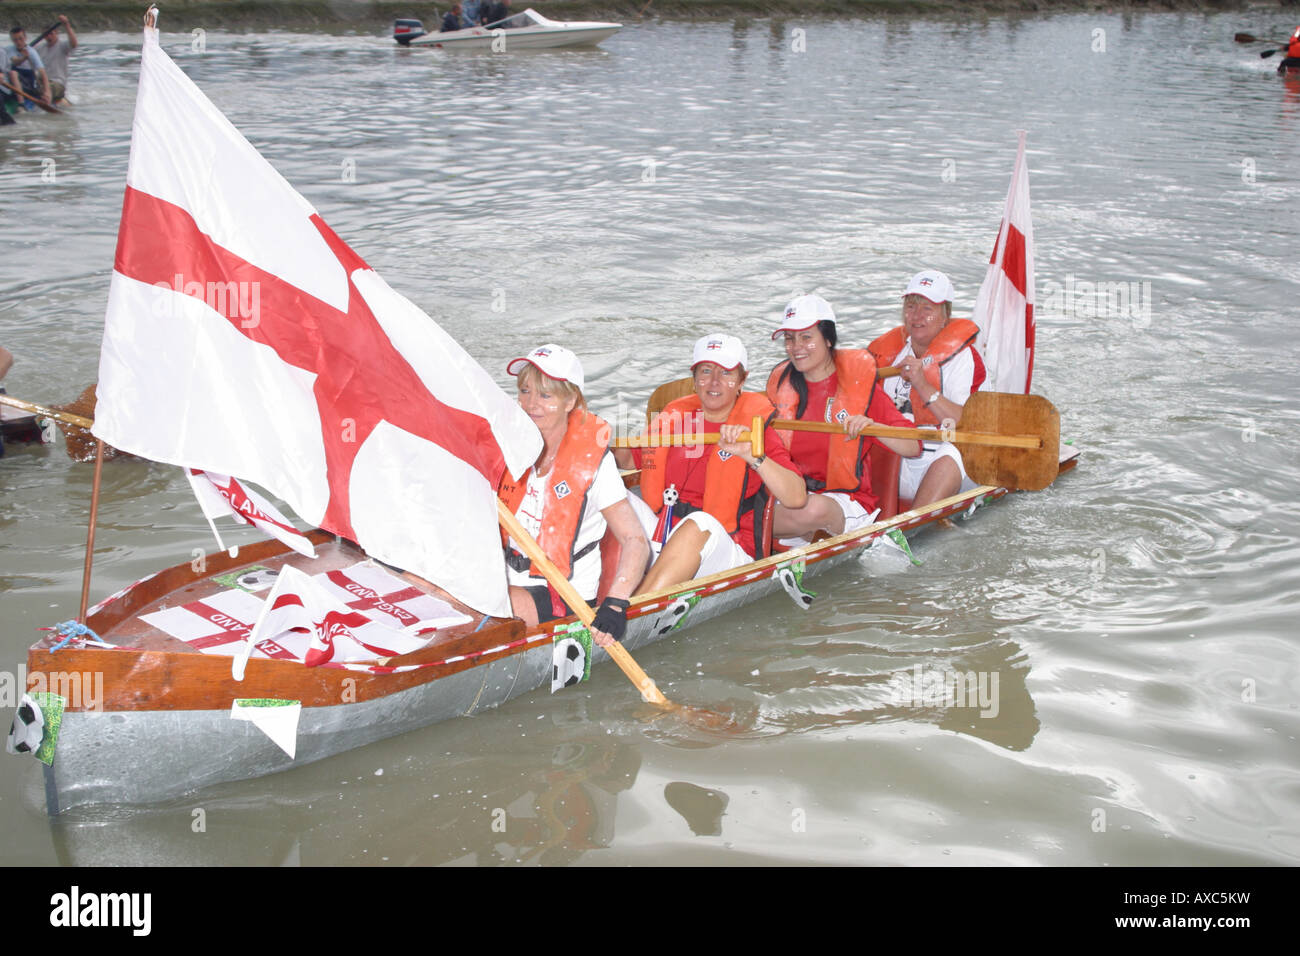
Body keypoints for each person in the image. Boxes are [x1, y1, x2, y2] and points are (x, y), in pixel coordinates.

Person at [499, 344, 649, 647]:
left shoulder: (595, 463)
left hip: (564, 592)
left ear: (570, 400)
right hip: (504, 574)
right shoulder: (508, 447)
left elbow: (635, 540)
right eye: (525, 391)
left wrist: (616, 603)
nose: (530, 404)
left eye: (545, 395)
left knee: (488, 606)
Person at [633, 333, 807, 593]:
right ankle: (594, 597)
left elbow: (796, 497)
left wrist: (752, 456)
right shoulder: (674, 421)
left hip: (728, 549)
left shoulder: (756, 431)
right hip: (664, 531)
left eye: (726, 373)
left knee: (700, 523)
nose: (714, 381)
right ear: (694, 380)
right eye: (705, 371)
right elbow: (631, 461)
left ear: (741, 381)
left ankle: (632, 613)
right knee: (616, 500)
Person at [765, 295, 921, 542]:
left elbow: (914, 446)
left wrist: (873, 427)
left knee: (814, 508)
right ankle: (751, 525)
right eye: (789, 338)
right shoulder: (780, 388)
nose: (796, 347)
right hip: (790, 498)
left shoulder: (859, 386)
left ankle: (743, 524)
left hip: (844, 503)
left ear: (828, 339)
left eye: (806, 337)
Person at [868, 270, 986, 510]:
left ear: (946, 316)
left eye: (927, 309)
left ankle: (915, 530)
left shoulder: (965, 358)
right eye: (911, 306)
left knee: (958, 447)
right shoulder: (888, 354)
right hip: (902, 457)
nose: (916, 316)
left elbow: (967, 423)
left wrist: (922, 384)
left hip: (951, 458)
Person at [5, 25, 52, 109]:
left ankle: (21, 104)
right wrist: (23, 58)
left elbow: (42, 73)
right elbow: (15, 61)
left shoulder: (32, 52)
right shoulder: (9, 49)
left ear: (25, 38)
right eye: (15, 40)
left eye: (20, 39)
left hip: (29, 83)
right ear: (12, 40)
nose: (18, 42)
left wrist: (47, 92)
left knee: (13, 73)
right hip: (14, 81)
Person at [39, 16, 76, 104]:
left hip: (58, 84)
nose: (49, 37)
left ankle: (47, 101)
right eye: (46, 34)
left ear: (56, 33)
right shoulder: (39, 48)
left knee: (47, 88)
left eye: (51, 34)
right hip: (43, 83)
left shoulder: (63, 46)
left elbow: (74, 44)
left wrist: (67, 25)